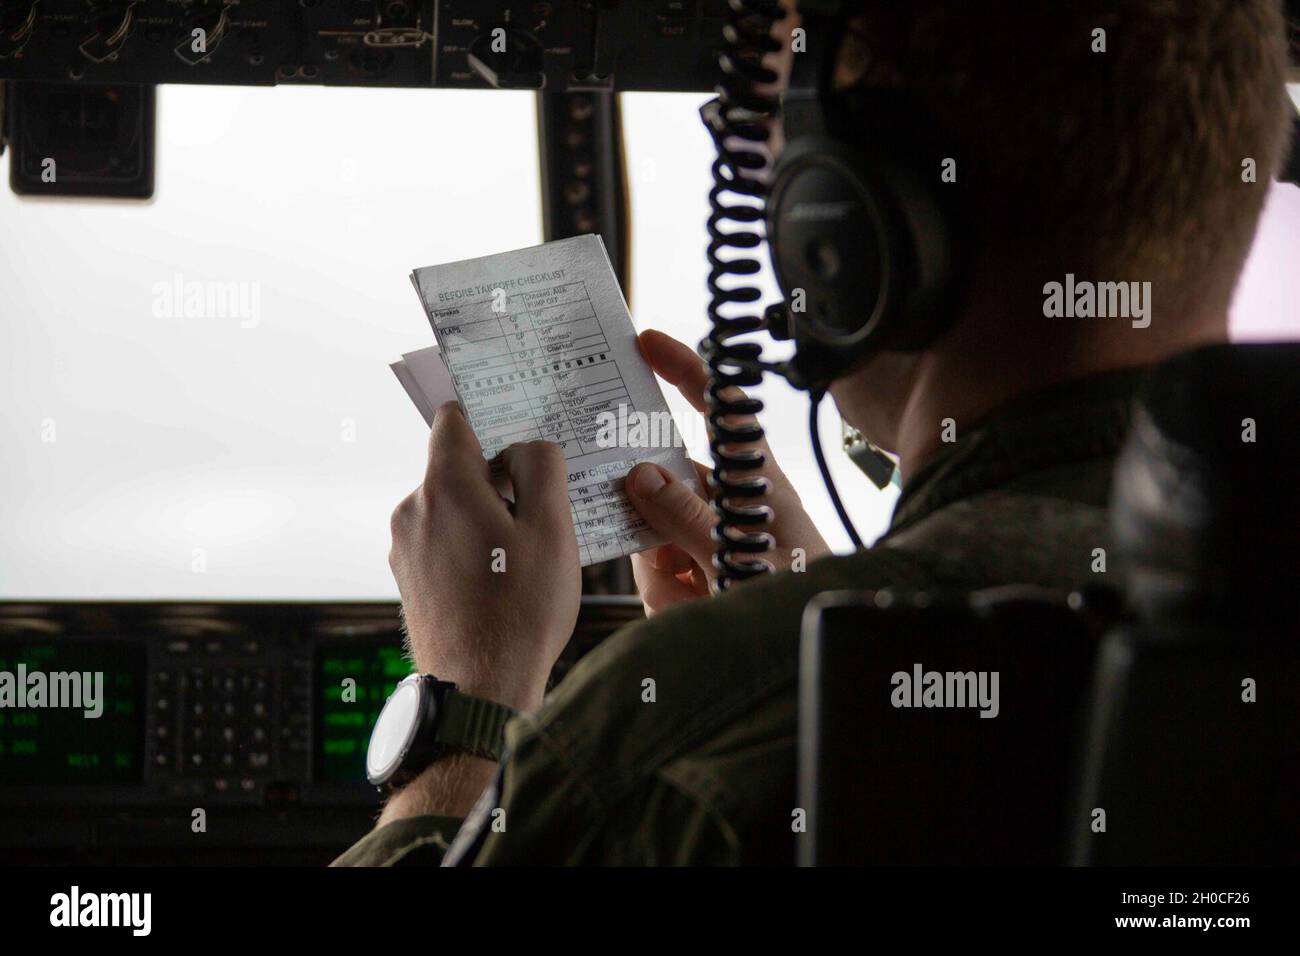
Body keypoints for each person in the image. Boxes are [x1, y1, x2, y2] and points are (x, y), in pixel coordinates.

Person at [333, 0, 1293, 865]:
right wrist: (832, 602)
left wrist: (467, 704)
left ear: (846, 233)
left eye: (779, 158)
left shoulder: (667, 748)